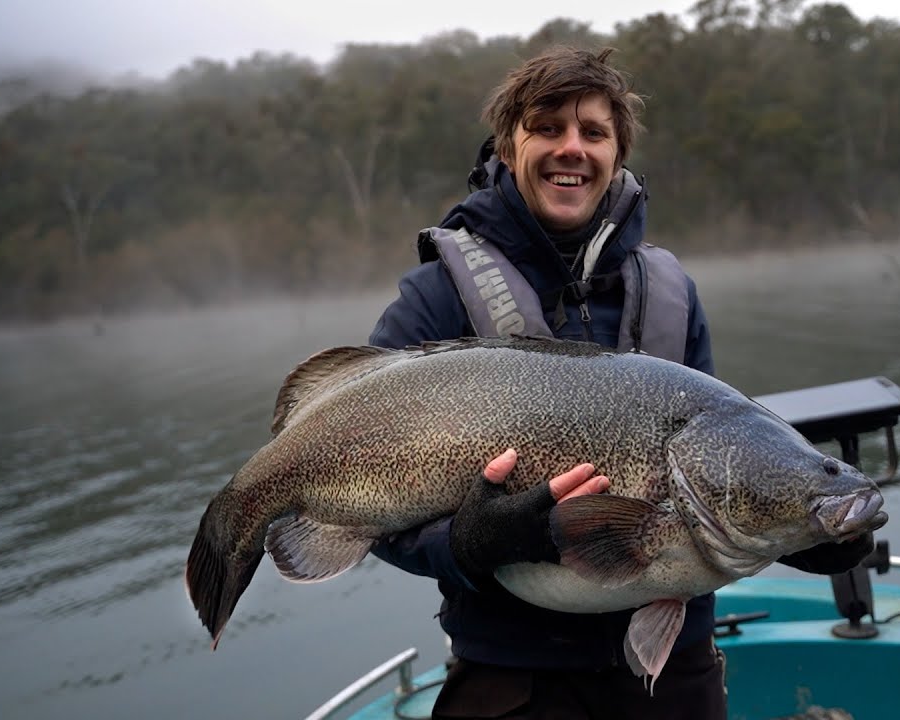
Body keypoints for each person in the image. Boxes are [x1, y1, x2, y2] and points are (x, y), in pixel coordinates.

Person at [368, 46, 872, 720]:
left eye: (594, 132)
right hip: (511, 679)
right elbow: (363, 500)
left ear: (617, 153)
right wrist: (468, 543)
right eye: (548, 128)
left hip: (675, 677)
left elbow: (722, 456)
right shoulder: (435, 301)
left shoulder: (672, 294)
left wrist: (809, 527)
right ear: (507, 144)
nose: (571, 149)